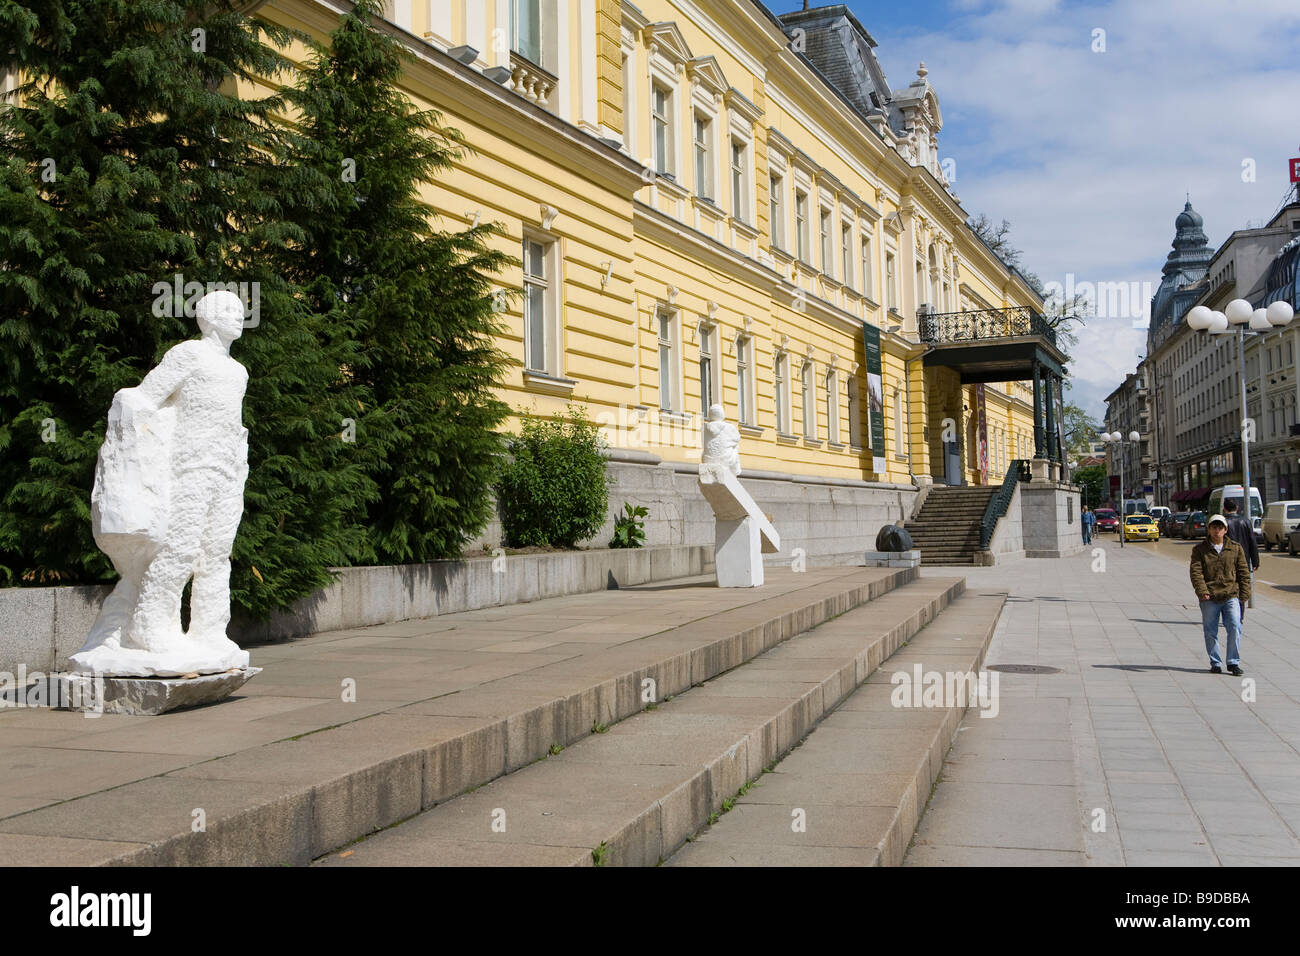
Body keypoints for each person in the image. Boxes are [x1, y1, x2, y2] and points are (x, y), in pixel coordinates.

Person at [1189, 514, 1250, 676]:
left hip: (1231, 595)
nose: (1217, 531)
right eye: (1213, 528)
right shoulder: (1199, 550)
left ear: (1225, 530)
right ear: (1208, 529)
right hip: (1210, 597)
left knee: (1235, 626)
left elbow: (1243, 572)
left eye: (1220, 528)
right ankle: (1215, 662)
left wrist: (1245, 593)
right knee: (1210, 631)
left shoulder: (1235, 548)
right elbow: (1196, 572)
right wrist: (1202, 591)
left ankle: (1233, 662)